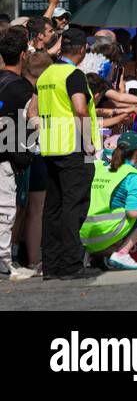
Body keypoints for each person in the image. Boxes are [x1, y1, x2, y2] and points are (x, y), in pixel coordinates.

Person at [30, 28, 99, 280]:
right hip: (75, 147)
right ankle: (71, 264)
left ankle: (51, 265)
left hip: (50, 147)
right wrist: (88, 143)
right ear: (81, 50)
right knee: (75, 205)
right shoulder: (74, 74)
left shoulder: (46, 74)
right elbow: (81, 109)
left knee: (53, 207)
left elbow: (31, 112)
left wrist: (46, 129)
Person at [79, 130, 137, 271]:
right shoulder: (133, 175)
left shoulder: (98, 166)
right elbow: (133, 213)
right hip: (103, 233)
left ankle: (100, 254)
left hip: (82, 233)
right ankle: (122, 253)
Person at [0, 28, 38, 279]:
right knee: (5, 210)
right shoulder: (22, 89)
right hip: (6, 157)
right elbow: (35, 121)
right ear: (23, 55)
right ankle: (4, 262)